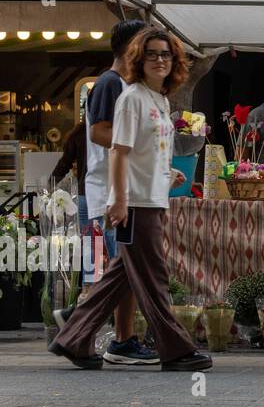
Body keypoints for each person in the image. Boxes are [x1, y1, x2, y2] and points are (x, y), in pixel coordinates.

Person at [50, 27, 212, 372]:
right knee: (154, 277)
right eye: (152, 54)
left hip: (152, 199)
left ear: (175, 61)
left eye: (165, 54)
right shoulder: (131, 97)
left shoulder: (159, 99)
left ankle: (73, 338)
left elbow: (146, 152)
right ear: (138, 58)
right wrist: (119, 201)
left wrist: (166, 176)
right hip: (135, 204)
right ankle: (175, 349)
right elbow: (119, 154)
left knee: (122, 275)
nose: (159, 60)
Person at [52, 19, 149, 365]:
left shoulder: (120, 84)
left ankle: (113, 336)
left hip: (111, 191)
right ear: (130, 47)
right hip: (106, 193)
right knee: (119, 270)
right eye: (146, 48)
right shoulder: (110, 84)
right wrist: (144, 146)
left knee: (119, 270)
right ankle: (86, 327)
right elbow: (99, 135)